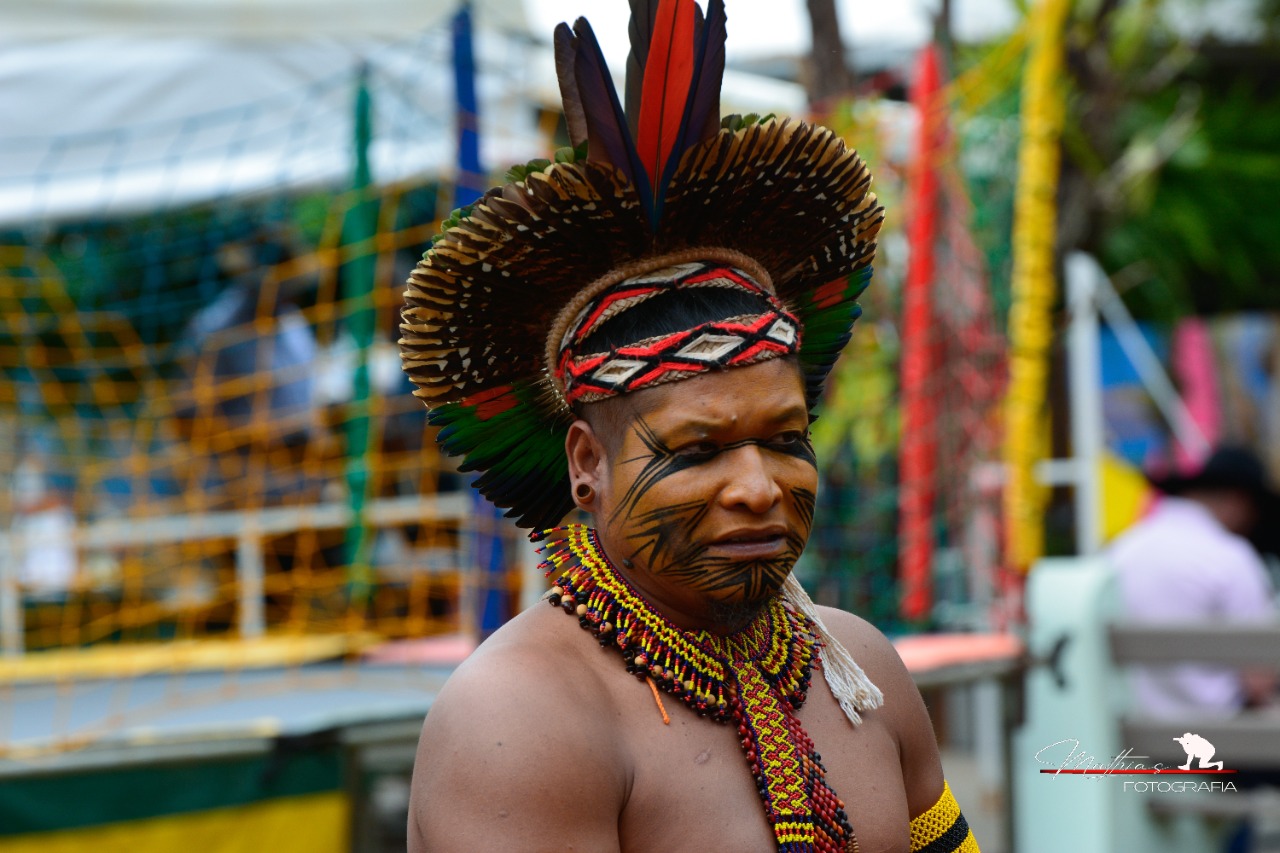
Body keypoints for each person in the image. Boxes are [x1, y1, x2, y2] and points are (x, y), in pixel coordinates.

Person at [398, 2, 980, 850]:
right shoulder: (521, 718)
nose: (757, 487)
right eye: (696, 450)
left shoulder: (860, 669)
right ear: (586, 461)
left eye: (785, 439)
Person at [1110, 445, 1278, 718]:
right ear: (1239, 502)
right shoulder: (1231, 556)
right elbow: (1258, 682)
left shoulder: (1121, 551)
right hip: (1216, 746)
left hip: (1130, 748)